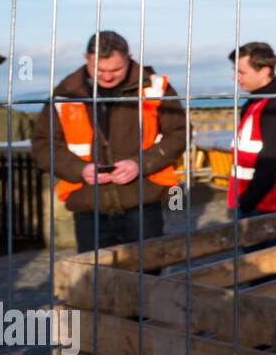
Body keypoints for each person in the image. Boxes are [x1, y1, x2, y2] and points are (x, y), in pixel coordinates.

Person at [32, 30, 186, 252]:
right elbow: (43, 146)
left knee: (148, 276)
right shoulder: (65, 93)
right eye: (99, 69)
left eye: (115, 69)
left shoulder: (155, 88)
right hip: (88, 205)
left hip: (142, 203)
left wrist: (140, 164)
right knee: (96, 278)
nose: (106, 76)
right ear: (87, 58)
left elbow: (179, 134)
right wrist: (79, 169)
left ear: (129, 57)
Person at [227, 41, 276, 218]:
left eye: (241, 72)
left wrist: (247, 202)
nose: (235, 77)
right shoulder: (259, 103)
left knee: (269, 246)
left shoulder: (274, 106)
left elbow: (272, 160)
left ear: (264, 71)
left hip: (264, 206)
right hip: (260, 203)